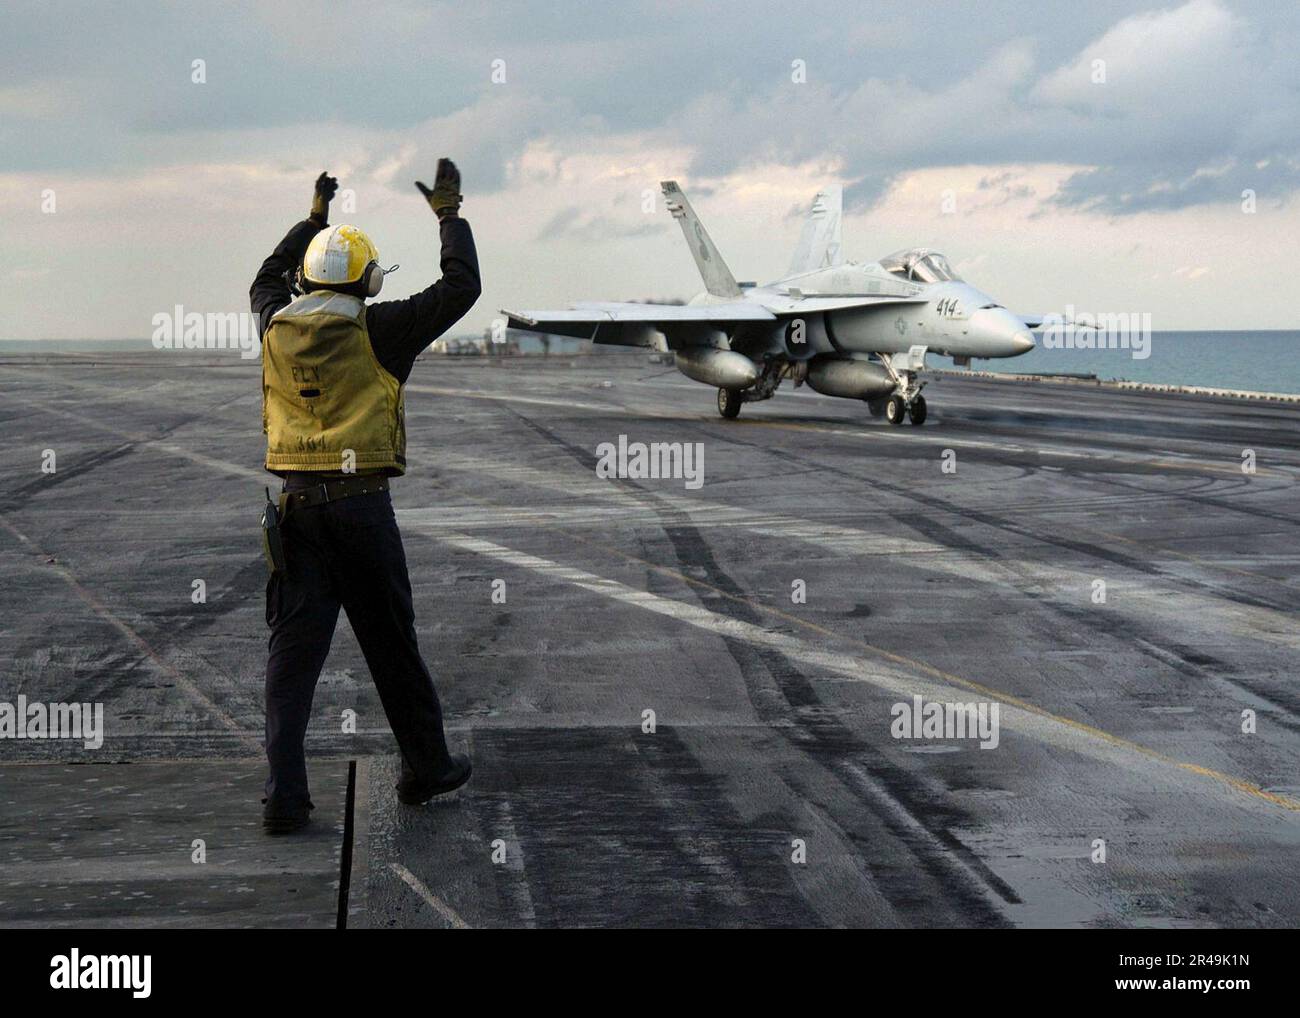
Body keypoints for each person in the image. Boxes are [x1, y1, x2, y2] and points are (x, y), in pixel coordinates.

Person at [250, 161, 481, 833]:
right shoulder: (382, 328)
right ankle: (427, 766)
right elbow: (463, 286)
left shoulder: (273, 323)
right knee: (391, 646)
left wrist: (313, 218)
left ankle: (283, 798)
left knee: (291, 661)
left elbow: (267, 274)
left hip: (294, 511)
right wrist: (448, 217)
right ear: (369, 281)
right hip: (362, 509)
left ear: (306, 279)